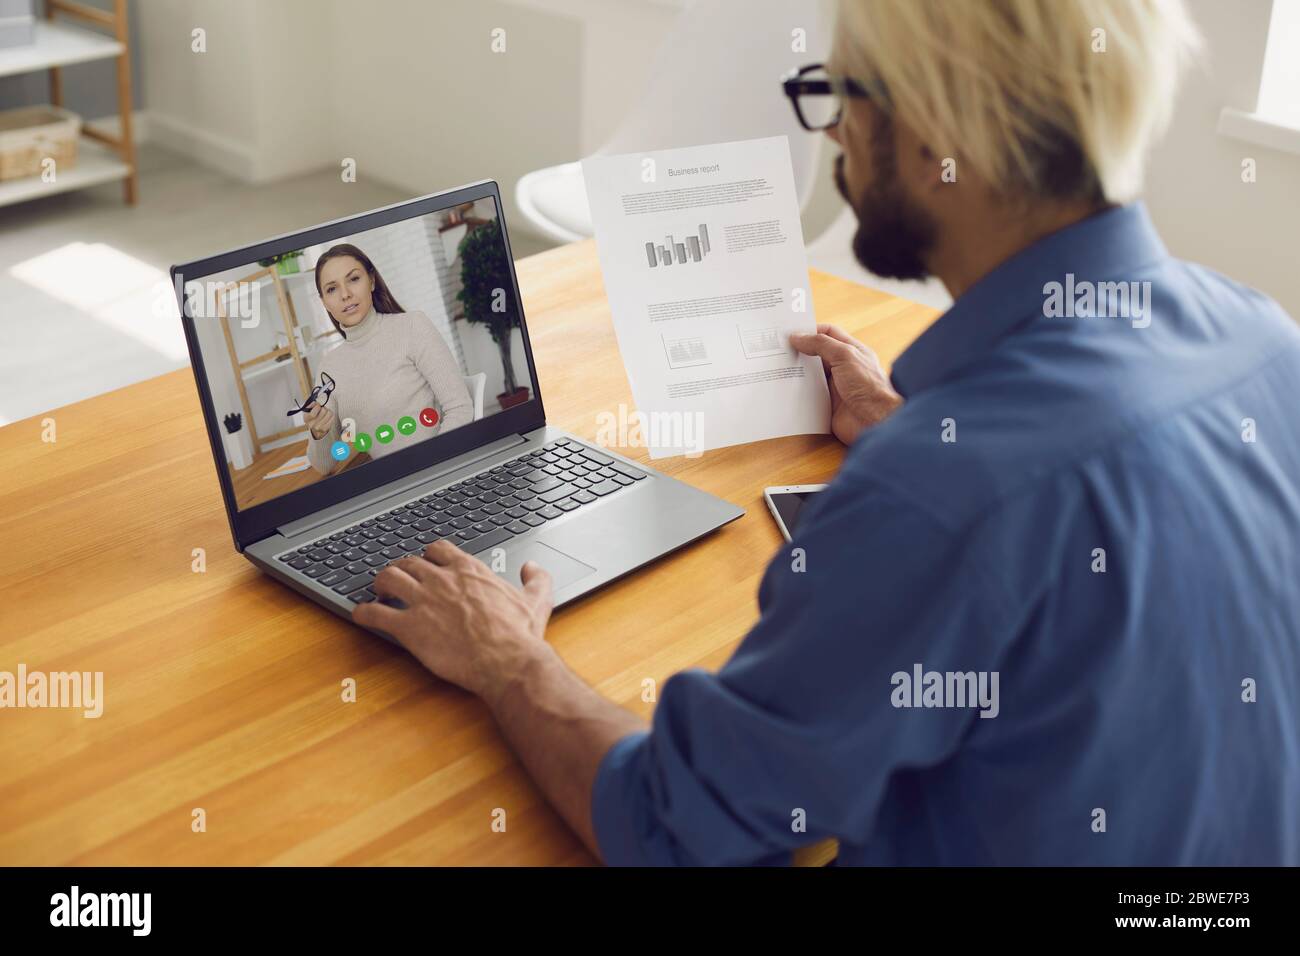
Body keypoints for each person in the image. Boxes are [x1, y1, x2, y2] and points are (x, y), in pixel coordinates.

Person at [353, 0, 1300, 865]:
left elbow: (676, 825)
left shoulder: (942, 495)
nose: (836, 129)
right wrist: (907, 428)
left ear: (937, 126)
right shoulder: (1267, 343)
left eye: (843, 94)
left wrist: (509, 657)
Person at [303, 243, 472, 475]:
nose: (345, 294)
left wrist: (432, 471)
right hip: (392, 486)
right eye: (332, 289)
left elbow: (460, 408)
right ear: (324, 302)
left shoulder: (412, 326)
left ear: (371, 281)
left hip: (441, 471)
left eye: (353, 279)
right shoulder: (329, 367)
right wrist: (318, 434)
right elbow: (324, 466)